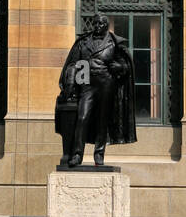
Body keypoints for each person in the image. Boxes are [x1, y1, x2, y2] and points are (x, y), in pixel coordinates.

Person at [57, 14, 137, 167]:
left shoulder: (114, 43)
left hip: (106, 83)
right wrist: (72, 81)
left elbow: (126, 66)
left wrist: (120, 67)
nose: (98, 26)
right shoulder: (84, 41)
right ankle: (77, 154)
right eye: (96, 23)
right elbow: (74, 62)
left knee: (102, 120)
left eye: (101, 23)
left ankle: (99, 154)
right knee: (82, 117)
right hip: (87, 83)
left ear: (107, 25)